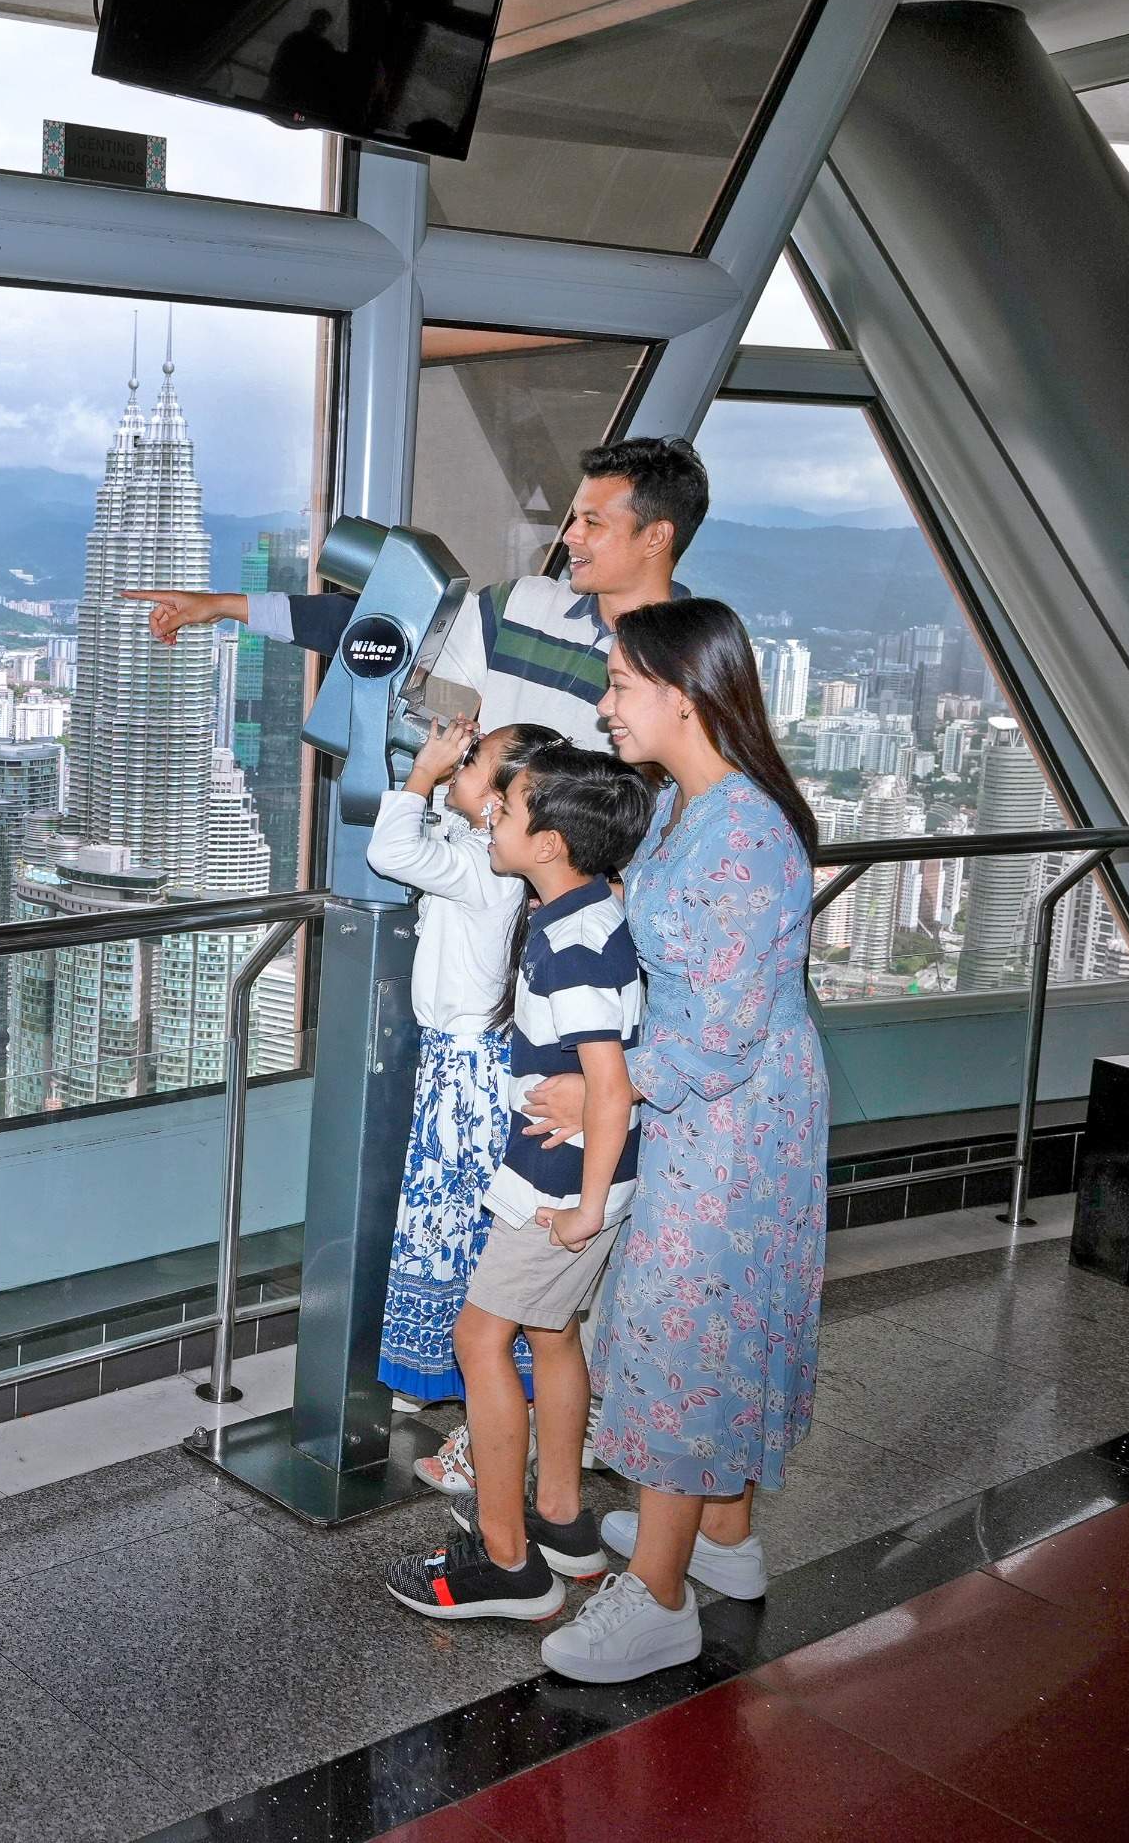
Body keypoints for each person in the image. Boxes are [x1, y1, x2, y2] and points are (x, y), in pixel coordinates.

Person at [517, 596, 829, 1685]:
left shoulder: (745, 838)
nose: (605, 705)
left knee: (686, 1326)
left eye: (619, 684)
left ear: (685, 693)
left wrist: (601, 1094)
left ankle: (657, 1602)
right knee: (719, 1318)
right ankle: (721, 1542)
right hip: (714, 1103)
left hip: (730, 1119)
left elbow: (728, 1037)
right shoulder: (692, 807)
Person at [381, 745, 655, 1626]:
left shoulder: (570, 942)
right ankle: (566, 1524)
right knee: (552, 1330)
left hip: (556, 1185)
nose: (491, 813)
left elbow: (606, 1083)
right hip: (571, 1174)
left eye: (509, 806)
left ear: (549, 842)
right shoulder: (587, 911)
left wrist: (581, 1205)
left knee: (479, 1340)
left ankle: (510, 1564)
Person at [124, 434, 710, 756]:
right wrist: (225, 607)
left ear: (656, 536)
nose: (570, 536)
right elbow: (392, 633)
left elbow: (693, 792)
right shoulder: (527, 605)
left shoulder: (697, 660)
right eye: (573, 517)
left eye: (592, 523)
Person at [365, 717, 565, 1423]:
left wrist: (422, 773)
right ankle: (462, 1380)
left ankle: (456, 1379)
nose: (460, 757)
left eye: (474, 757)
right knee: (456, 1221)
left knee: (448, 1221)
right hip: (471, 1066)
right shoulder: (485, 854)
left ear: (504, 796)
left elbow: (389, 850)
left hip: (465, 1076)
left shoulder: (484, 867)